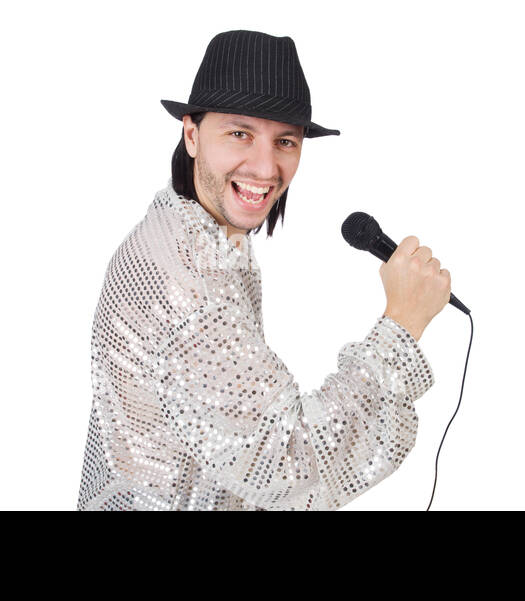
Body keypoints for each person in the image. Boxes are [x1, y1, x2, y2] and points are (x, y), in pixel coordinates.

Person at [77, 30, 452, 510]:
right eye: (240, 134)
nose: (265, 167)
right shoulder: (190, 285)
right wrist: (402, 325)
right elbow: (293, 465)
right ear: (192, 135)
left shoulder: (192, 230)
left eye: (285, 142)